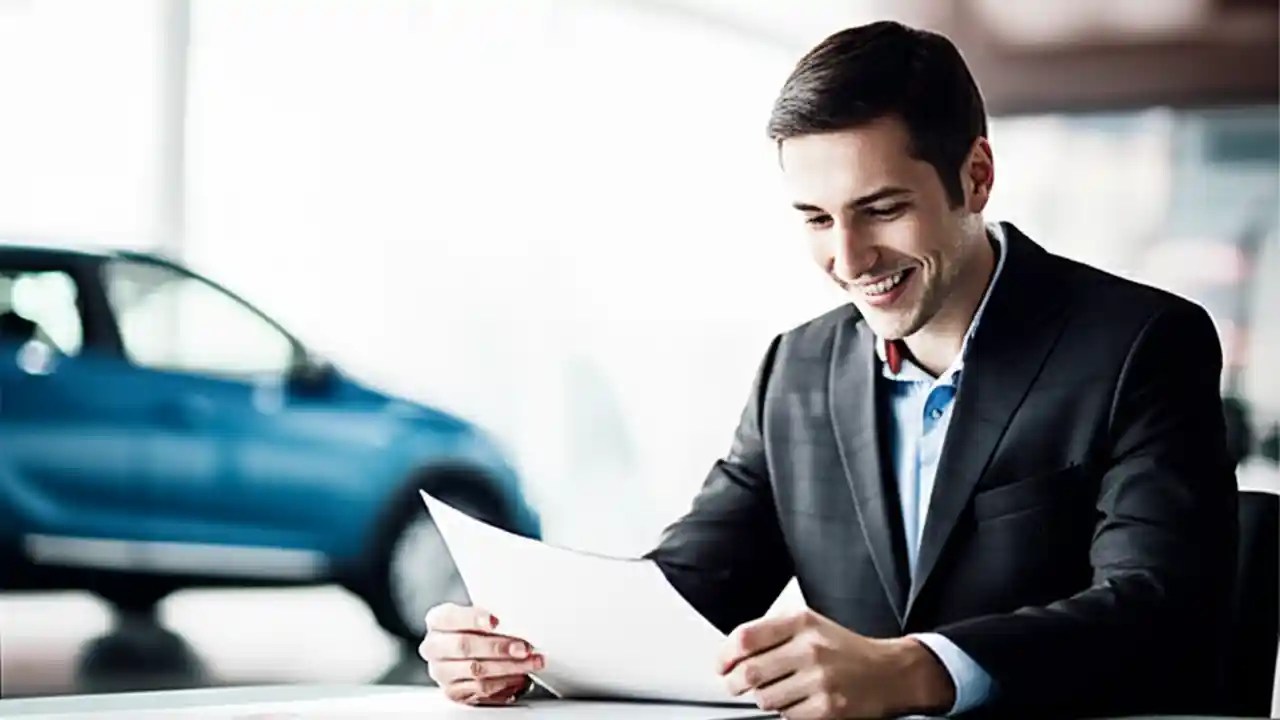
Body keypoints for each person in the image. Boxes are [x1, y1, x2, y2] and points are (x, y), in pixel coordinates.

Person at [419, 20, 1236, 719]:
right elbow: (686, 595)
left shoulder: (1141, 344)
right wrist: (523, 648)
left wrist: (915, 668)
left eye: (882, 210)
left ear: (975, 178)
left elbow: (1155, 608)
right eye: (815, 218)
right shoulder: (798, 368)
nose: (849, 260)